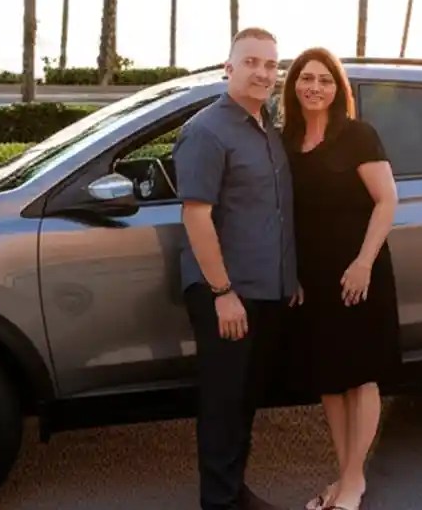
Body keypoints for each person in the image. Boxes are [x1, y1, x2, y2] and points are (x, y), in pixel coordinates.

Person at [174, 27, 300, 510]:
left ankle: (233, 491)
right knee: (224, 404)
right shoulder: (208, 130)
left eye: (270, 65)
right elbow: (196, 215)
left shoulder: (266, 129)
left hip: (267, 290)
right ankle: (219, 502)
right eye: (251, 62)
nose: (263, 73)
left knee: (246, 400)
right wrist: (222, 292)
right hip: (226, 293)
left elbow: (273, 213)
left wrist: (292, 277)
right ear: (228, 67)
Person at [280, 48, 399, 510]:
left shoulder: (357, 136)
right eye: (306, 78)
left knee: (360, 376)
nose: (314, 87)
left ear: (338, 88)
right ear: (293, 86)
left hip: (358, 271)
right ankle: (347, 475)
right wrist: (293, 273)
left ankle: (351, 484)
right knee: (330, 378)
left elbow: (386, 201)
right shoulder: (286, 141)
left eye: (324, 79)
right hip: (313, 275)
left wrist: (364, 262)